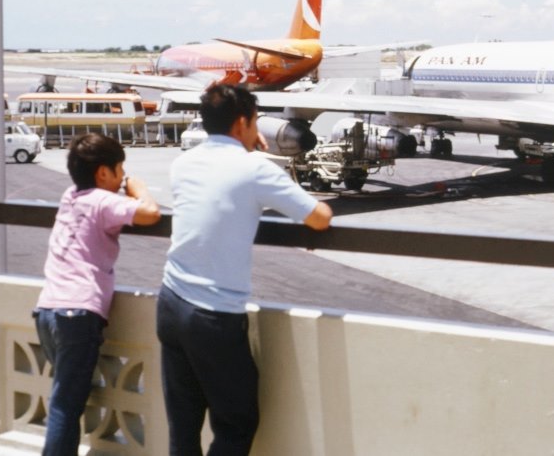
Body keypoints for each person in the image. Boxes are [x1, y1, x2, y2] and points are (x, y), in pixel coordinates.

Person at [157, 84, 332, 456]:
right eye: (255, 122)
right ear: (242, 124)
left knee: (184, 425)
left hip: (171, 302)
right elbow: (319, 217)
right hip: (213, 316)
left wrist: (246, 148)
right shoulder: (253, 169)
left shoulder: (184, 163)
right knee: (237, 422)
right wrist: (257, 158)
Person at [33, 133, 161, 456]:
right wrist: (138, 187)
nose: (121, 178)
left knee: (65, 396)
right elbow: (150, 214)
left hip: (47, 309)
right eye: (119, 170)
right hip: (78, 313)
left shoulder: (70, 195)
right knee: (65, 404)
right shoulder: (105, 201)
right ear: (103, 173)